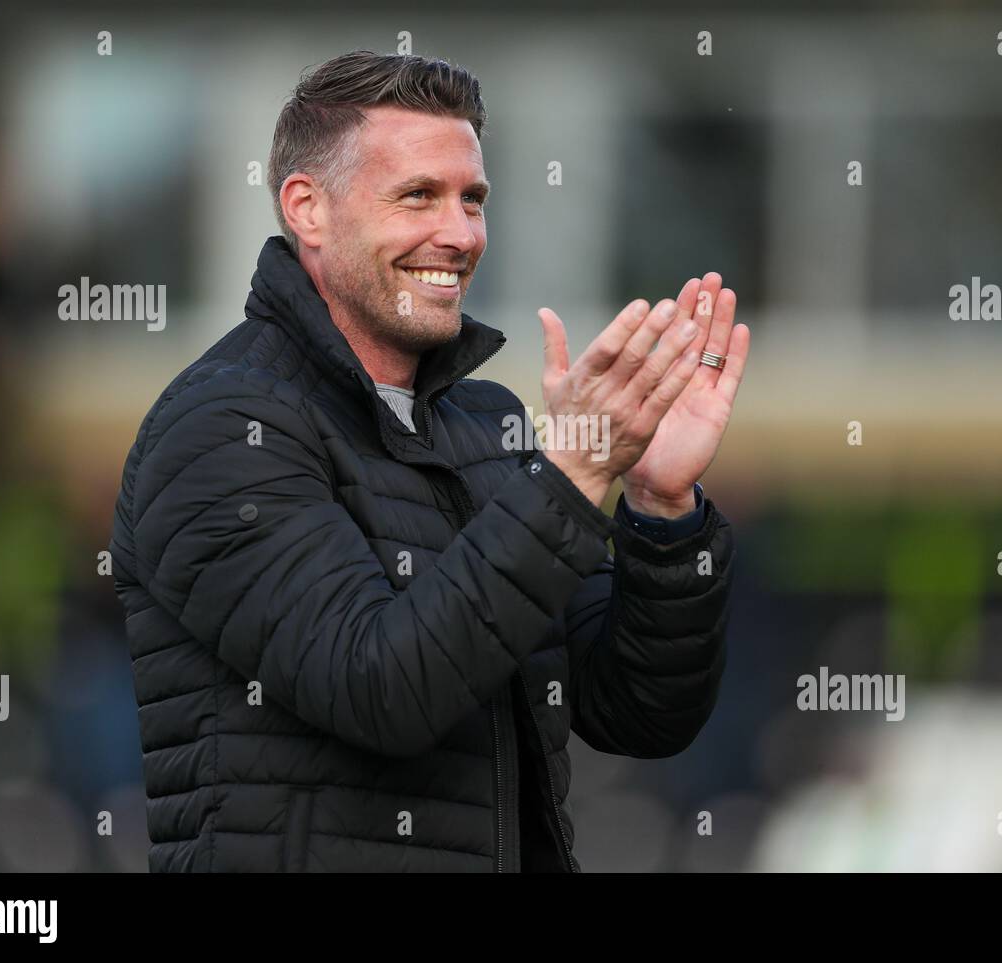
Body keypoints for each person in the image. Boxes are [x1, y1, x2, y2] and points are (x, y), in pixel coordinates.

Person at [109, 50, 750, 872]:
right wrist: (577, 474)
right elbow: (384, 688)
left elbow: (638, 712)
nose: (459, 234)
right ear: (307, 208)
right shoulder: (220, 429)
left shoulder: (492, 426)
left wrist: (661, 508)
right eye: (418, 195)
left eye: (472, 199)